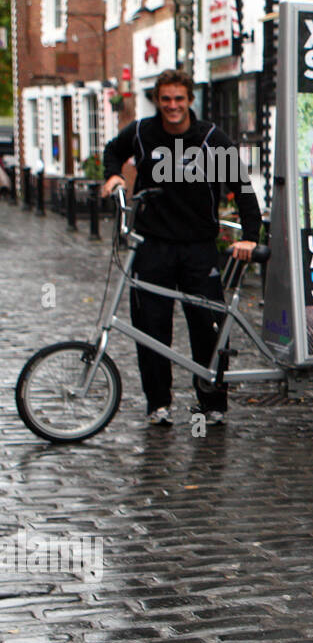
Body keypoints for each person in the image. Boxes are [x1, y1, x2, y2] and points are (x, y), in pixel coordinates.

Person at [101, 68, 262, 427]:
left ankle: (212, 403)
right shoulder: (143, 133)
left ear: (190, 100)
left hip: (198, 248)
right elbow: (113, 151)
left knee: (208, 328)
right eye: (165, 99)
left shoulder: (210, 139)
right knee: (150, 328)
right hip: (152, 246)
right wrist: (112, 175)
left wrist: (251, 235)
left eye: (179, 99)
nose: (172, 106)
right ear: (157, 100)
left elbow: (243, 187)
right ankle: (158, 404)